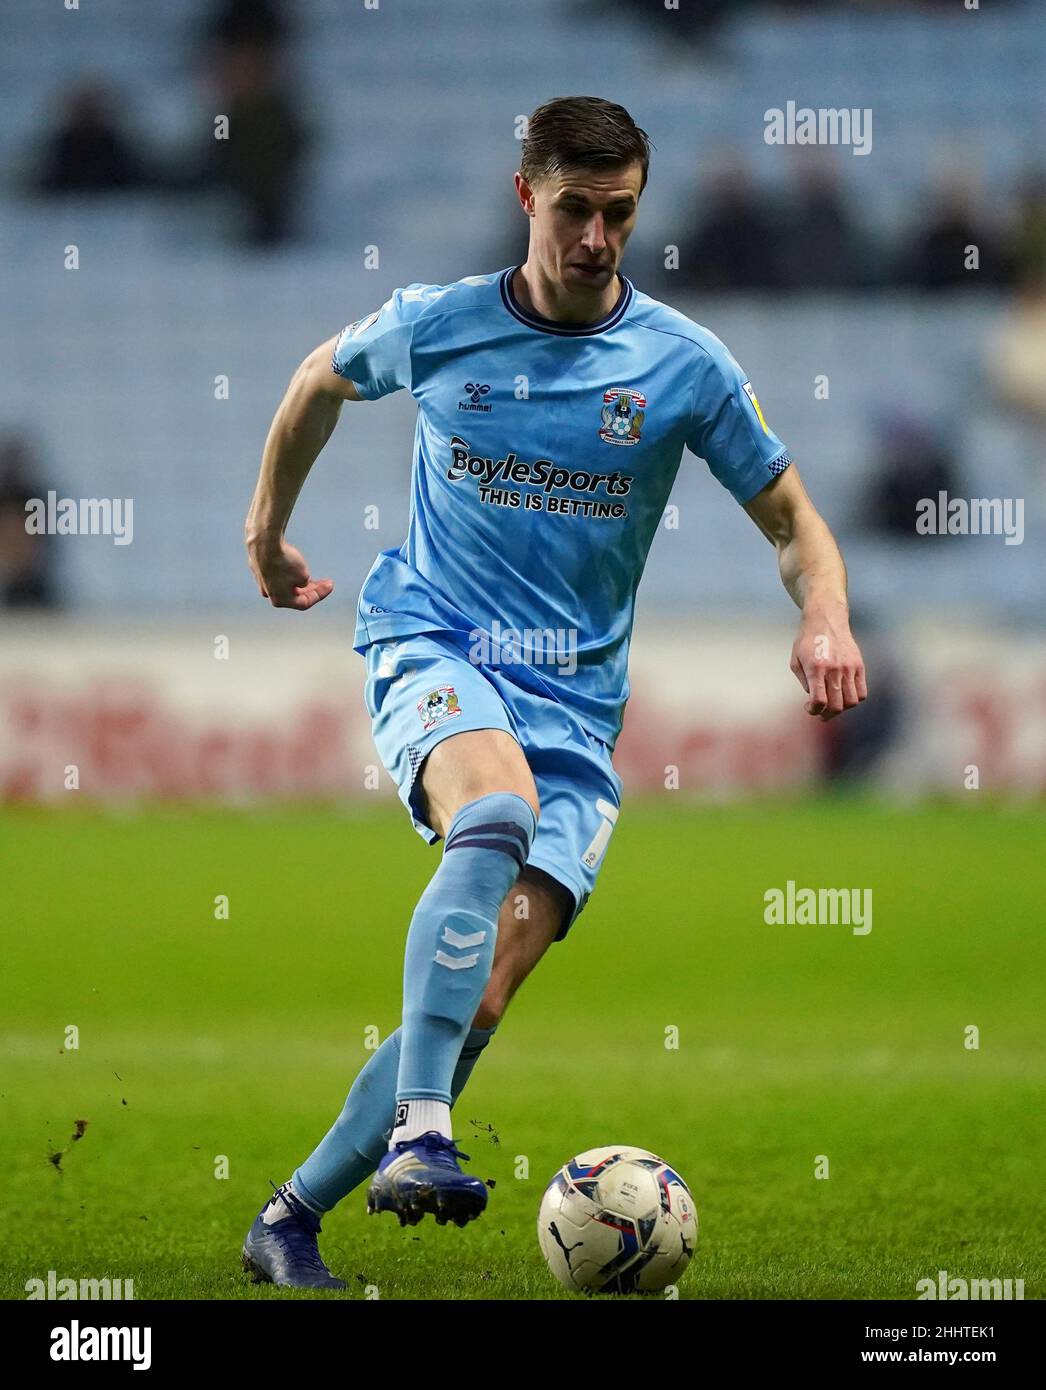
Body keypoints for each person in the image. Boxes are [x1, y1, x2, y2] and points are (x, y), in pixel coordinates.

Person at [241, 96, 867, 1288]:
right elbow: (316, 381)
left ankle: (286, 1218)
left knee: (476, 997)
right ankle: (424, 1130)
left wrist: (823, 611)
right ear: (525, 197)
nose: (594, 237)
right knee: (493, 811)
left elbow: (792, 522)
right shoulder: (439, 325)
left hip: (575, 710)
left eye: (618, 214)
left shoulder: (681, 365)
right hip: (437, 639)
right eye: (573, 209)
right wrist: (267, 536)